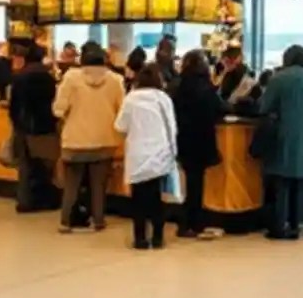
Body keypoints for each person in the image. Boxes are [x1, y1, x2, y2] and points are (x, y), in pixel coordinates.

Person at [53, 42, 124, 233]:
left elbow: (58, 109)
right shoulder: (116, 80)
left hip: (74, 139)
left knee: (71, 184)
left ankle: (65, 221)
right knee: (99, 185)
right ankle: (98, 220)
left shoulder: (70, 78)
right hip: (105, 139)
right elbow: (122, 110)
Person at [115, 63, 178, 250]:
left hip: (137, 154)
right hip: (159, 153)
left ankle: (140, 238)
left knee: (139, 200)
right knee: (156, 198)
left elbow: (120, 126)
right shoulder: (163, 99)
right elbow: (172, 127)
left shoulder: (131, 99)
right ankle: (158, 237)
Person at [258, 45, 303, 240]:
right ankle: (294, 225)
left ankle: (278, 226)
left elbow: (264, 106)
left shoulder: (279, 79)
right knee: (295, 184)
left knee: (280, 183)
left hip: (281, 134)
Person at [171, 49, 225, 239]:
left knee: (190, 182)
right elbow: (220, 108)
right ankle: (194, 222)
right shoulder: (207, 87)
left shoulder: (177, 86)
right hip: (202, 139)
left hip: (183, 139)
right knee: (197, 183)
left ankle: (187, 222)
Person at [9, 43, 60, 213]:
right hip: (45, 125)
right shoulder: (48, 77)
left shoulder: (20, 77)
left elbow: (14, 105)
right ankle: (45, 199)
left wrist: (16, 123)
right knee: (46, 165)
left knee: (25, 166)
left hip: (25, 126)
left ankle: (25, 201)